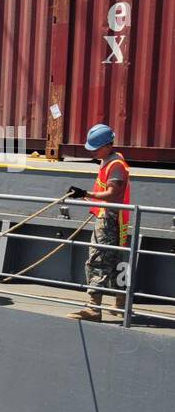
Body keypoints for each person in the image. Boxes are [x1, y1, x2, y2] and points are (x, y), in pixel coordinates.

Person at [69, 123, 131, 323]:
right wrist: (91, 199)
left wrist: (86, 194)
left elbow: (112, 194)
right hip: (113, 217)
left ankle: (94, 308)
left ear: (107, 145)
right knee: (114, 261)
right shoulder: (110, 160)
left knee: (97, 260)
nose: (93, 152)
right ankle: (121, 304)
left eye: (95, 149)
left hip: (109, 219)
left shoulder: (115, 166)